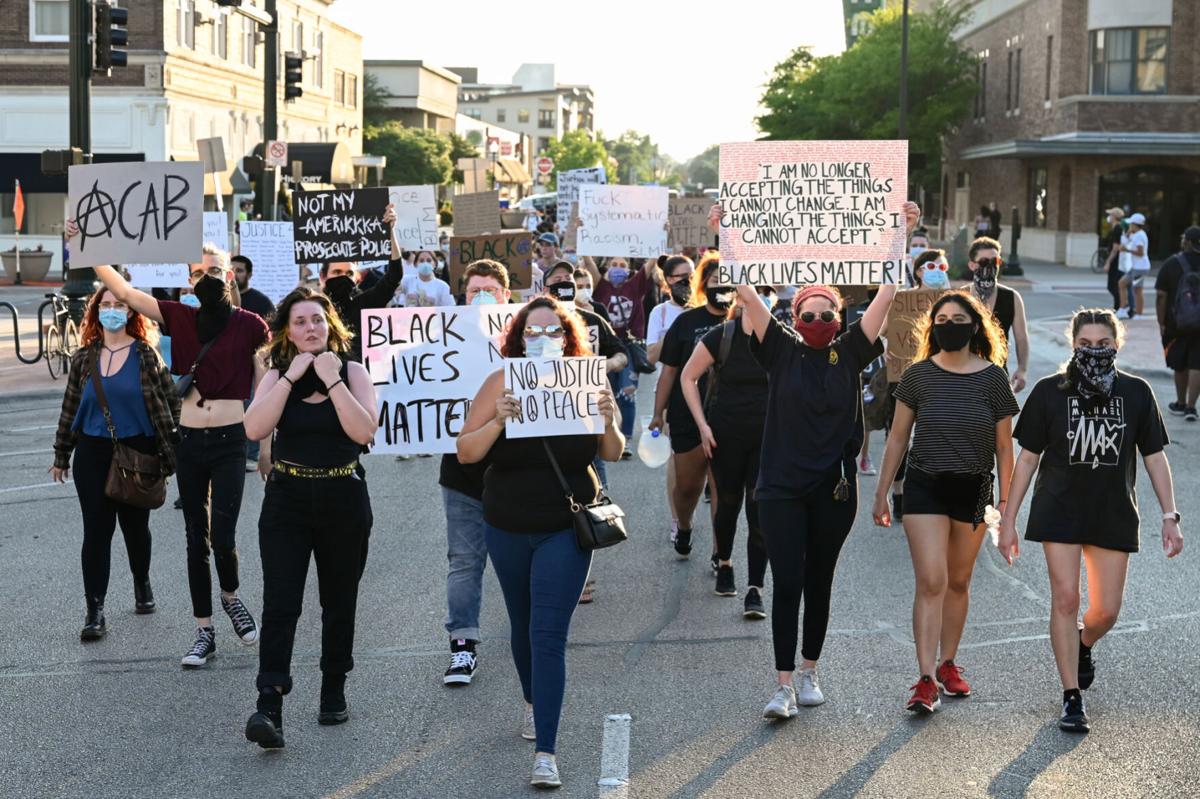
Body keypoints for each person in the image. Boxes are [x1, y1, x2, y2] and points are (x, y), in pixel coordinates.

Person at [750, 200, 920, 721]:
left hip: (834, 488)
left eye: (829, 313)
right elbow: (746, 294)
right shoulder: (779, 350)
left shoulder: (849, 350)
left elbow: (887, 293)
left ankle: (809, 672)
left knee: (819, 578)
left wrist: (901, 234)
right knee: (788, 581)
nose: (820, 320)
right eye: (810, 314)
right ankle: (781, 685)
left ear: (841, 317)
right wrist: (729, 235)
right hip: (779, 487)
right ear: (794, 318)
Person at [72, 234, 269, 667]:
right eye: (197, 272)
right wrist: (86, 247)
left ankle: (231, 597)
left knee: (225, 534)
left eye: (215, 271)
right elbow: (122, 292)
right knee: (194, 537)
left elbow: (264, 385)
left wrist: (267, 447)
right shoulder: (178, 317)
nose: (206, 278)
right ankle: (203, 630)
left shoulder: (251, 324)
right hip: (191, 441)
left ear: (231, 275)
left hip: (231, 441)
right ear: (187, 279)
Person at [456, 297, 623, 790]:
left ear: (570, 338)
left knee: (549, 634)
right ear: (517, 338)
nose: (542, 339)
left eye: (553, 331)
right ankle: (532, 700)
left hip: (565, 526)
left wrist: (609, 419)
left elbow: (612, 449)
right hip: (507, 524)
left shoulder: (587, 378)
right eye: (532, 332)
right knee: (523, 623)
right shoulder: (499, 383)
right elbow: (466, 453)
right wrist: (496, 421)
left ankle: (546, 751)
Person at [998, 308, 1183, 733]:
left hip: (1112, 511)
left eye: (1102, 345)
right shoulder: (1049, 392)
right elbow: (1027, 460)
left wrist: (1170, 515)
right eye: (1085, 345)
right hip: (1058, 508)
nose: (1094, 352)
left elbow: (1154, 458)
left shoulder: (1136, 393)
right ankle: (1071, 698)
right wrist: (1008, 518)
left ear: (1115, 345)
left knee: (1106, 611)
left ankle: (1083, 642)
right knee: (1066, 600)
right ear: (1073, 345)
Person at [242, 287, 377, 749]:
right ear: (287, 331)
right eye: (299, 322)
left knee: (339, 600)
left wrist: (332, 379)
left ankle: (333, 686)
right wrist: (290, 377)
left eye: (317, 320)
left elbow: (364, 432)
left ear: (331, 324)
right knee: (281, 602)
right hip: (288, 499)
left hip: (343, 495)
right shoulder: (278, 373)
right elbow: (255, 429)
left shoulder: (353, 371)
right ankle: (269, 702)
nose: (310, 328)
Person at [872, 290, 1019, 715]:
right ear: (931, 327)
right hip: (925, 485)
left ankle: (948, 661)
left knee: (958, 581)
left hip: (974, 489)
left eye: (958, 318)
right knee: (931, 580)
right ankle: (925, 678)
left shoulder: (993, 377)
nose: (949, 325)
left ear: (975, 326)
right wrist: (882, 491)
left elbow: (1005, 449)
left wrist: (1007, 506)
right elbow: (898, 437)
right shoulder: (918, 375)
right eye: (942, 319)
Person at [50, 288, 180, 640]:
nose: (111, 311)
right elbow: (70, 408)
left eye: (118, 305)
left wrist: (172, 453)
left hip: (138, 451)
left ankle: (142, 582)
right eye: (105, 305)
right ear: (96, 313)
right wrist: (62, 453)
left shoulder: (146, 355)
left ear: (131, 312)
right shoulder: (84, 357)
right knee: (96, 531)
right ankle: (95, 611)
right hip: (92, 453)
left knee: (135, 528)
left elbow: (171, 404)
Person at [439, 260, 513, 687]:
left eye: (489, 290)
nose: (480, 297)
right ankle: (462, 647)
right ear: (462, 298)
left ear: (505, 295)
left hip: (514, 475)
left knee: (518, 564)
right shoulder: (439, 340)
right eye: (473, 291)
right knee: (464, 562)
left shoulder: (526, 342)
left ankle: (531, 637)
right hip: (462, 474)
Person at [679, 284, 770, 618]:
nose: (761, 299)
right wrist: (702, 426)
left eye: (767, 293)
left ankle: (755, 588)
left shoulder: (780, 338)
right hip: (725, 435)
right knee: (728, 503)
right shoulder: (722, 336)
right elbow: (688, 377)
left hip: (766, 439)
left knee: (760, 510)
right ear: (742, 300)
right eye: (755, 293)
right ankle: (726, 563)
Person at [652, 253, 733, 559]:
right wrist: (658, 413)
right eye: (715, 281)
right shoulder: (687, 322)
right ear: (703, 286)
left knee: (722, 491)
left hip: (729, 417)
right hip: (687, 415)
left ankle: (720, 554)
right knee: (688, 488)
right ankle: (684, 524)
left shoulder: (743, 322)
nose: (722, 287)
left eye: (727, 281)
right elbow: (670, 371)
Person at [593, 256, 662, 456]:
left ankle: (627, 439)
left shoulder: (635, 286)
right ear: (606, 268)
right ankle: (606, 437)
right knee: (609, 393)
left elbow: (651, 263)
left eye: (622, 265)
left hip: (629, 346)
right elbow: (588, 263)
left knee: (627, 393)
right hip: (606, 346)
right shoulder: (600, 286)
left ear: (630, 269)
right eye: (614, 265)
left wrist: (657, 240)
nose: (618, 268)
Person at [319, 204, 406, 359]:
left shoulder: (365, 303)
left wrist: (389, 232)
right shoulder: (311, 306)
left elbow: (394, 275)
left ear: (357, 277)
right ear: (323, 276)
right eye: (337, 272)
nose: (343, 278)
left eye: (349, 273)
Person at [966, 237, 1030, 391]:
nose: (990, 266)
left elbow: (1021, 338)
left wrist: (1022, 369)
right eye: (983, 262)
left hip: (998, 376)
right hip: (963, 377)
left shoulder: (1011, 297)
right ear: (972, 265)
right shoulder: (960, 295)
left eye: (995, 261)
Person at [1155, 226, 1200, 421]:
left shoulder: (1172, 263)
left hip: (1177, 322)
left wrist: (1161, 321)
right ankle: (1192, 407)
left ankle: (1180, 403)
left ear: (1187, 242)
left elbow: (1161, 295)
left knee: (1179, 363)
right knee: (1197, 364)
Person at [646, 255, 696, 365]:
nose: (688, 281)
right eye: (683, 276)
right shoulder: (659, 312)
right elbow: (651, 357)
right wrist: (674, 329)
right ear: (670, 279)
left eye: (692, 276)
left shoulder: (702, 308)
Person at [1117, 213, 1150, 320]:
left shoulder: (1139, 236)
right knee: (1122, 283)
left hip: (1140, 267)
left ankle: (1139, 314)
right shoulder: (1136, 234)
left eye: (1131, 224)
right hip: (1136, 267)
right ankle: (1123, 309)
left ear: (1135, 224)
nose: (1129, 225)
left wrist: (1126, 250)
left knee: (1138, 290)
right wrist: (1128, 232)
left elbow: (1140, 253)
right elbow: (1125, 241)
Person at [230, 255, 276, 322]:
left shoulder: (262, 302)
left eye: (239, 271)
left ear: (249, 275)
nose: (234, 275)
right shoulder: (220, 298)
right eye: (231, 270)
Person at [1102, 208, 1127, 312]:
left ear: (1115, 217)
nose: (1109, 217)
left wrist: (1108, 262)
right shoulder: (1115, 228)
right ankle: (1119, 306)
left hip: (1116, 261)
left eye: (1110, 215)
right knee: (1113, 285)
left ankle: (1120, 306)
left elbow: (1115, 247)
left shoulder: (1118, 228)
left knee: (1113, 285)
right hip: (1116, 260)